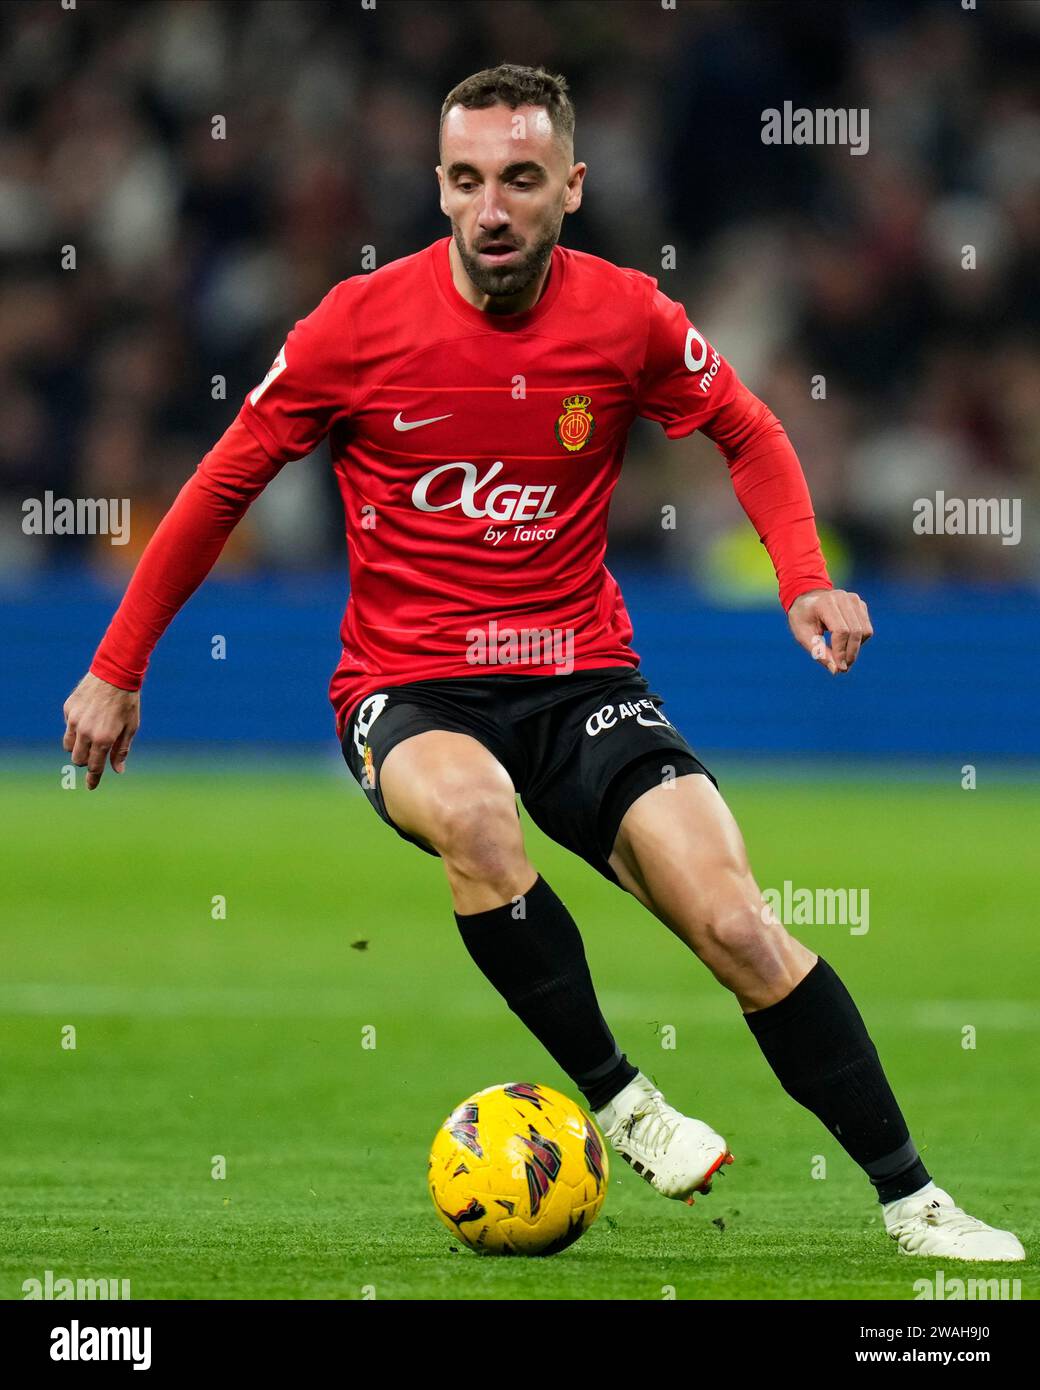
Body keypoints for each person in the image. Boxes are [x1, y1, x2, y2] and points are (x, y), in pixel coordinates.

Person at [63, 63, 1022, 1262]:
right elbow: (218, 487)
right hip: (408, 690)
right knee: (474, 816)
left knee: (734, 924)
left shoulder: (624, 316)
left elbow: (746, 425)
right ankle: (623, 1102)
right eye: (466, 181)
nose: (491, 208)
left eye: (519, 180)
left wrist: (803, 574)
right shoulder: (354, 327)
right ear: (440, 189)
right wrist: (119, 663)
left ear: (569, 187)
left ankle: (913, 1203)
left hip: (582, 680)